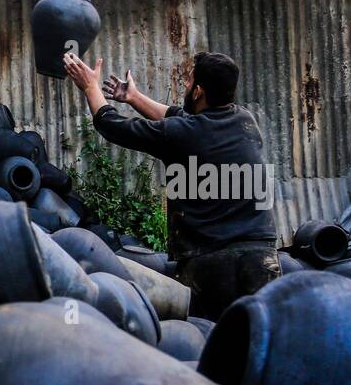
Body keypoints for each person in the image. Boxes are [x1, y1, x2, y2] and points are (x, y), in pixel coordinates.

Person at [63, 50, 279, 320]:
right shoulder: (245, 121)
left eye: (189, 82)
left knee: (211, 343)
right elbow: (180, 118)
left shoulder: (182, 134)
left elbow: (111, 124)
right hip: (263, 259)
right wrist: (134, 97)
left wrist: (90, 86)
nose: (186, 86)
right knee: (262, 343)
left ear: (199, 91)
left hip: (212, 264)